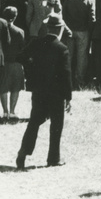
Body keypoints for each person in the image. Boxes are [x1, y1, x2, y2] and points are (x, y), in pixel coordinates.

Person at [17, 14, 72, 170]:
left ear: (47, 28)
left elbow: (21, 56)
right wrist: (68, 97)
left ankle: (23, 151)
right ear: (60, 29)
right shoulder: (62, 48)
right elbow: (66, 74)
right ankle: (53, 158)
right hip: (56, 93)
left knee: (34, 121)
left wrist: (31, 68)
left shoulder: (36, 43)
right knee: (56, 126)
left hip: (39, 90)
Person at [62, 0, 96, 89]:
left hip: (70, 30)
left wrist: (67, 27)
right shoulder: (90, 0)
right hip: (83, 31)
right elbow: (92, 19)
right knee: (82, 57)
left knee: (69, 56)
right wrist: (89, 31)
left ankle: (67, 79)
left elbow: (64, 13)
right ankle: (79, 81)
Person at [0, 6, 26, 121]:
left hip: (3, 62)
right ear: (15, 16)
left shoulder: (0, 30)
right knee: (16, 88)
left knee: (3, 88)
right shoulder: (20, 31)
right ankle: (12, 111)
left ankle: (5, 111)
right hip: (16, 62)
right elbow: (22, 48)